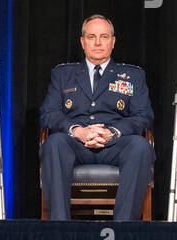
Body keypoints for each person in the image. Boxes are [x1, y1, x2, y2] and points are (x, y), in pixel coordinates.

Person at [39, 14, 154, 220]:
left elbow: (143, 115)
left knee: (141, 146)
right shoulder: (63, 74)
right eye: (91, 37)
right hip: (75, 143)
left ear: (113, 42)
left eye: (104, 36)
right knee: (53, 143)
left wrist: (112, 133)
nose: (98, 42)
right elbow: (48, 113)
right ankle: (59, 227)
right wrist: (78, 131)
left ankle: (123, 228)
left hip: (115, 144)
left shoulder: (133, 75)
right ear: (83, 42)